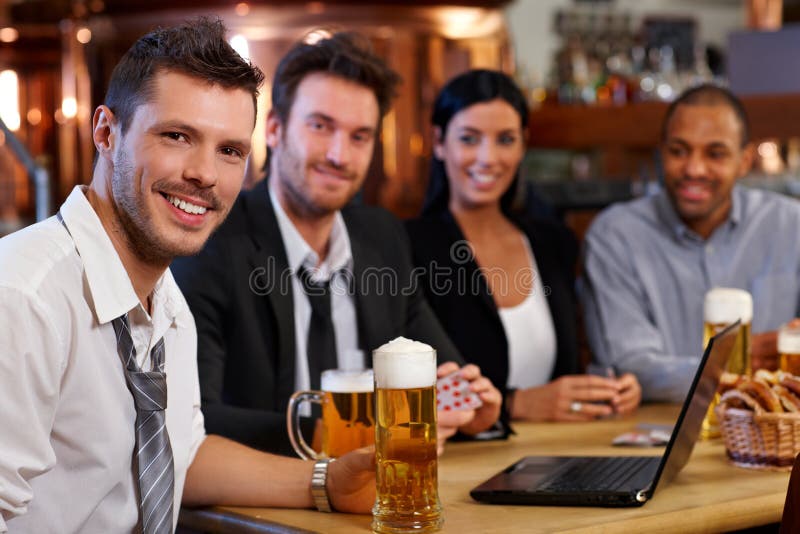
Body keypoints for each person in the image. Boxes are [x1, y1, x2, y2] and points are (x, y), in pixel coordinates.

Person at [0, 19, 377, 532]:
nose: (205, 174)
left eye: (229, 151)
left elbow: (184, 455)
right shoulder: (22, 296)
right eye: (178, 136)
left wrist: (329, 482)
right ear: (107, 132)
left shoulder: (166, 300)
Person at [171, 32, 502, 457]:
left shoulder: (382, 237)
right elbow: (195, 415)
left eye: (360, 136)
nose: (340, 155)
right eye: (321, 126)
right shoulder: (213, 239)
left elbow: (442, 378)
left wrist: (475, 410)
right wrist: (343, 434)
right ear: (274, 129)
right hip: (256, 508)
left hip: (374, 498)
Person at [405, 69, 641, 428]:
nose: (488, 158)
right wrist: (515, 404)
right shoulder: (407, 246)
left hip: (556, 458)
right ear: (439, 142)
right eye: (469, 139)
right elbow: (409, 392)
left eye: (505, 139)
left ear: (523, 144)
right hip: (456, 464)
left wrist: (610, 391)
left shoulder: (552, 242)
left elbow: (573, 368)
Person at [582, 83, 800, 403]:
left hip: (769, 436)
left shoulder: (790, 224)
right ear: (661, 153)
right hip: (658, 435)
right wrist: (738, 364)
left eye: (715, 154)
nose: (694, 169)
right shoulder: (615, 236)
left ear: (744, 160)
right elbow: (629, 367)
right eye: (679, 151)